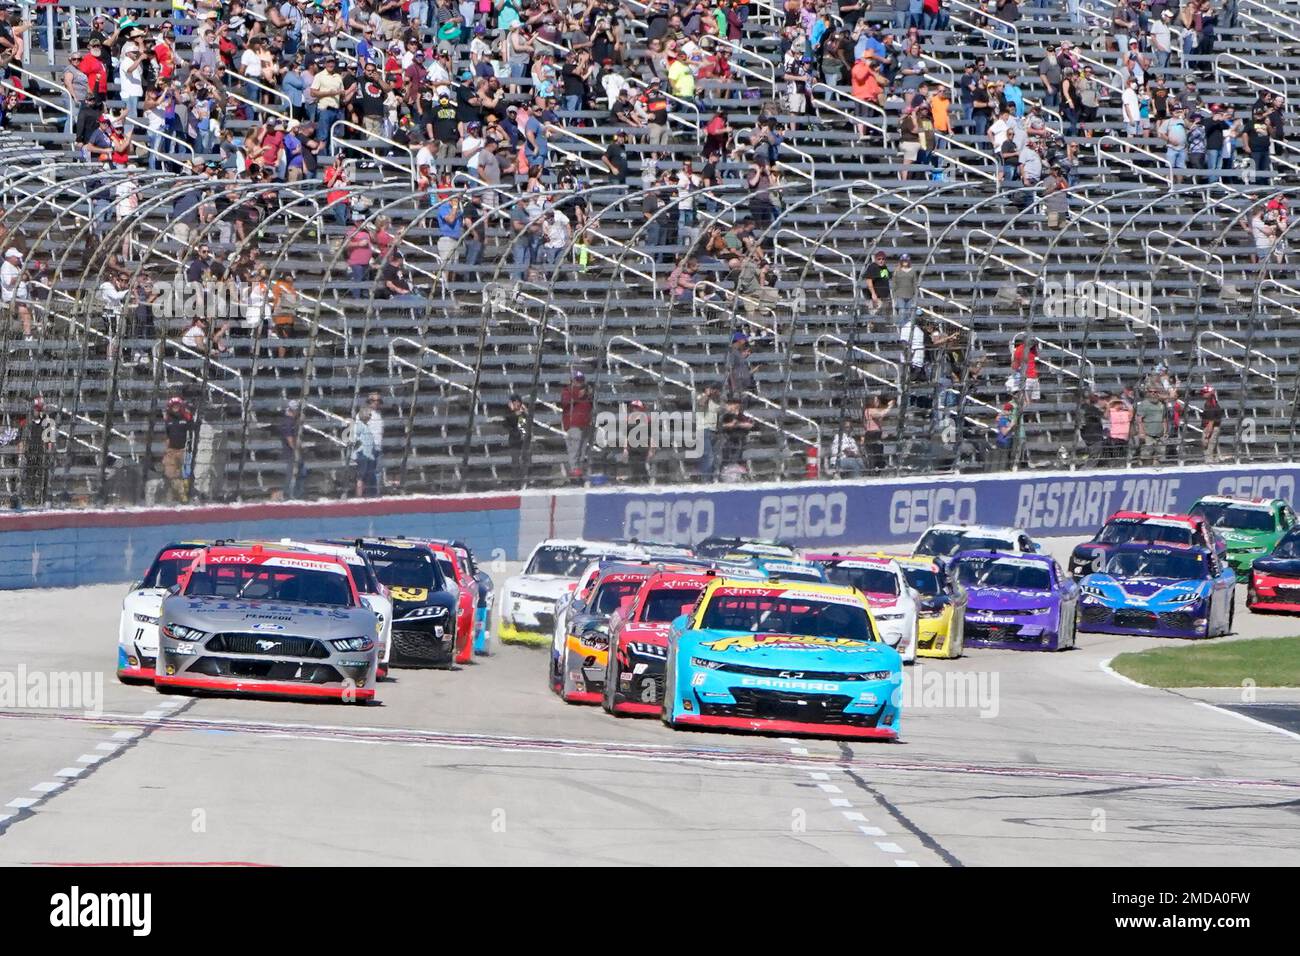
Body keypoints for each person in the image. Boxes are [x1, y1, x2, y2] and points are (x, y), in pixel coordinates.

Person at [560, 369, 594, 478]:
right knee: (574, 448)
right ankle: (573, 469)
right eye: (577, 380)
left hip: (585, 423)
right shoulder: (567, 391)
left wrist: (589, 394)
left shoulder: (588, 392)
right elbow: (565, 403)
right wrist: (578, 395)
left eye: (581, 380)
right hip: (573, 424)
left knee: (583, 449)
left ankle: (579, 470)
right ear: (572, 380)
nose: (580, 382)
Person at [162, 396, 192, 503]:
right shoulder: (167, 419)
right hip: (171, 450)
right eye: (173, 406)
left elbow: (192, 427)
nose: (176, 408)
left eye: (178, 406)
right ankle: (178, 494)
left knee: (186, 473)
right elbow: (165, 434)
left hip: (184, 449)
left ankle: (185, 492)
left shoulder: (185, 417)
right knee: (171, 474)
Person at [349, 406, 379, 497]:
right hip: (361, 454)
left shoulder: (366, 426)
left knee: (368, 475)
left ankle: (370, 494)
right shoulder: (358, 426)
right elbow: (353, 439)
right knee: (360, 477)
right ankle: (359, 495)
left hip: (368, 454)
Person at [280, 399, 306, 499]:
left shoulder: (292, 421)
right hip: (291, 452)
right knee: (292, 473)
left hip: (295, 451)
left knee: (301, 472)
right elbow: (290, 439)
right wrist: (296, 450)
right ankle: (288, 494)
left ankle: (298, 494)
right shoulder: (288, 423)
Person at [695, 383, 722, 478]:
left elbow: (719, 409)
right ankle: (705, 479)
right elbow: (701, 403)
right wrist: (707, 394)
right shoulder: (700, 396)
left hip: (712, 430)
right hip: (703, 430)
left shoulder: (713, 400)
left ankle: (709, 477)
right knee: (708, 456)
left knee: (713, 456)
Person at [502, 393, 529, 483]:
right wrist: (515, 414)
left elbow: (527, 423)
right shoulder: (508, 413)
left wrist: (526, 413)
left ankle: (525, 478)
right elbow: (506, 424)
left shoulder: (523, 413)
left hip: (523, 440)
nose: (517, 404)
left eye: (518, 402)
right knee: (515, 461)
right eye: (515, 402)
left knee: (526, 459)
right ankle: (515, 479)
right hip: (514, 440)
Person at [1200, 385, 1224, 462]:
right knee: (1213, 448)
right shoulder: (1208, 404)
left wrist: (1207, 437)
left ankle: (1210, 463)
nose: (1203, 394)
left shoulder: (1212, 406)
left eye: (1205, 392)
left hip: (1211, 428)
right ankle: (1215, 461)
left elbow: (1211, 423)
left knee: (1208, 450)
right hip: (1211, 427)